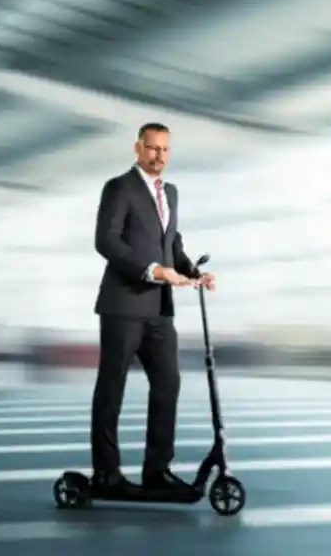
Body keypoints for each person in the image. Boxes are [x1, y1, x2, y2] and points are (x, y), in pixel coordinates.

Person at [90, 122, 215, 496]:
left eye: (165, 150)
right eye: (152, 148)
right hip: (123, 304)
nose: (158, 156)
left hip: (160, 309)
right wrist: (152, 271)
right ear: (137, 149)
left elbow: (171, 244)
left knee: (168, 384)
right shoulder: (119, 188)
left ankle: (157, 471)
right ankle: (106, 475)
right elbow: (106, 241)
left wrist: (193, 271)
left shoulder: (170, 193)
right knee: (111, 389)